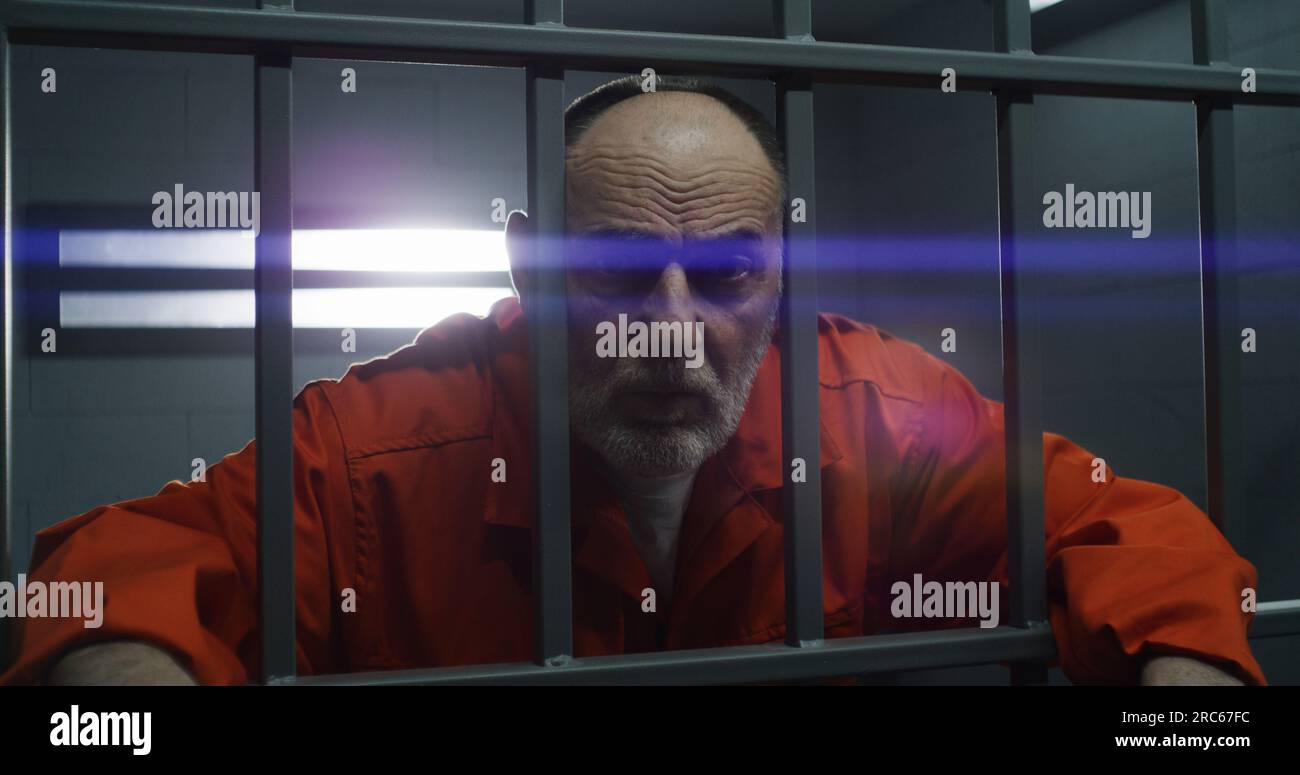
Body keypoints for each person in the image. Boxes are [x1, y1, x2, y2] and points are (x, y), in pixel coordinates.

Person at [0, 76, 1264, 686]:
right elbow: (96, 573)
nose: (669, 334)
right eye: (613, 277)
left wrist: (1185, 708)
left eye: (724, 282)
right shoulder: (379, 439)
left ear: (781, 279)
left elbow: (1127, 525)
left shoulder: (882, 412)